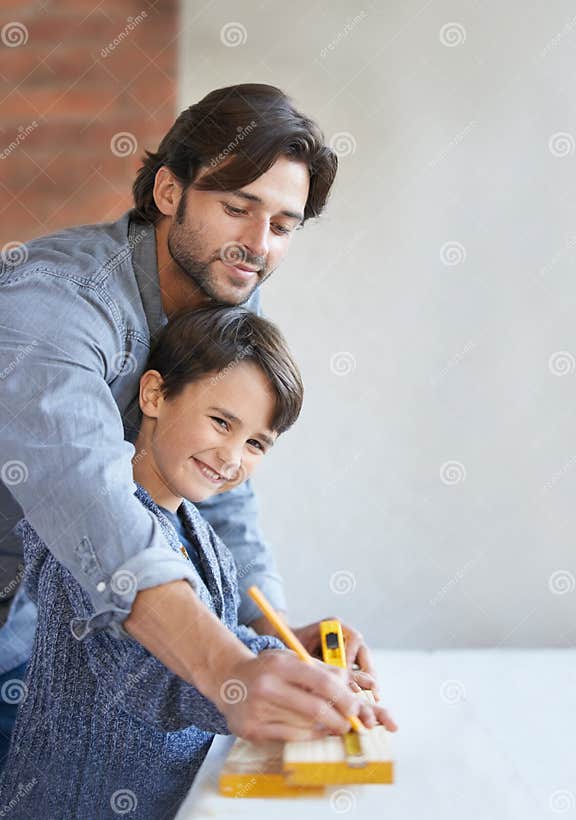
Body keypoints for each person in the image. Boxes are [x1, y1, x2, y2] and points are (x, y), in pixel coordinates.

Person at [0, 84, 379, 761]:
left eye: (283, 225)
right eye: (237, 208)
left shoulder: (222, 289)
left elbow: (222, 493)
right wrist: (229, 672)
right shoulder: (55, 306)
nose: (258, 245)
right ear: (169, 192)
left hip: (44, 643)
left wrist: (273, 636)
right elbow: (93, 502)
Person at [0, 306, 395, 819]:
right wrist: (253, 692)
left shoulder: (197, 531)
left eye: (255, 443)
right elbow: (143, 673)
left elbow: (220, 633)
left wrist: (295, 660)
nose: (232, 457)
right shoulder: (88, 532)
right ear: (155, 395)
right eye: (221, 422)